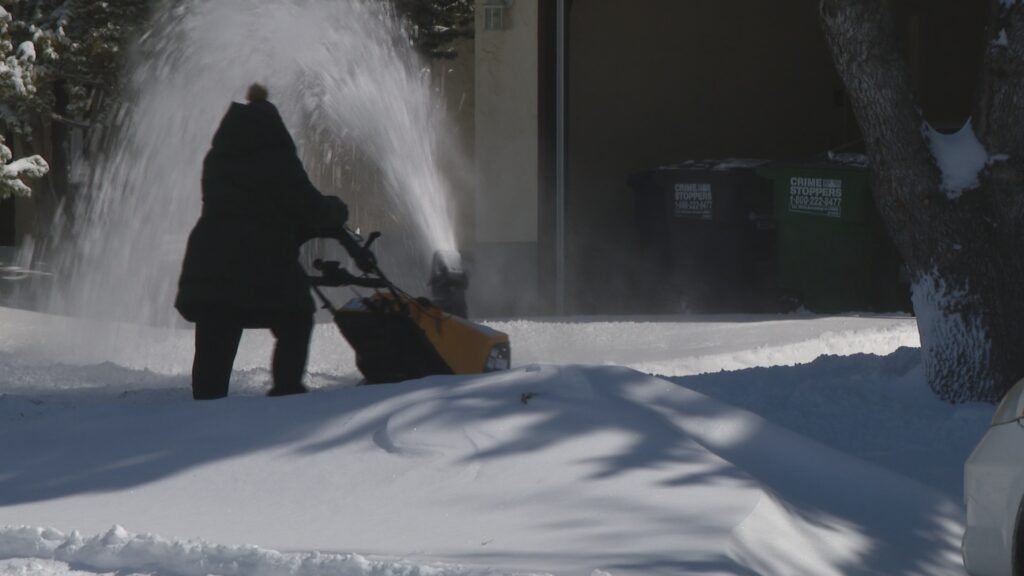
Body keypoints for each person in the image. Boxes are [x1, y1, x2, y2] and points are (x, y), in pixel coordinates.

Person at [175, 83, 348, 399]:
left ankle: (205, 402)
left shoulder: (218, 159)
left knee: (217, 327)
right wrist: (336, 211)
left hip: (210, 261)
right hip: (262, 263)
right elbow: (306, 203)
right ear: (273, 127)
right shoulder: (276, 158)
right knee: (296, 316)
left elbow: (250, 203)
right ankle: (286, 391)